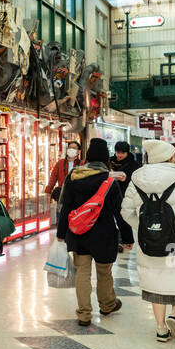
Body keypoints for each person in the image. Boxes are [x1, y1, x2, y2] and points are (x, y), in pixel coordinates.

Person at [121, 139, 175, 343]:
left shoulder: (136, 180)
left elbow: (126, 213)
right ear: (170, 157)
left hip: (148, 244)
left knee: (155, 283)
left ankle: (161, 328)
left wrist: (146, 229)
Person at [57, 139, 134, 326]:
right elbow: (120, 212)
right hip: (104, 234)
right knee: (104, 272)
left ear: (87, 157)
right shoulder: (109, 181)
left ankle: (84, 313)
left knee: (82, 272)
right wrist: (127, 237)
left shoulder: (73, 177)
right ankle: (107, 305)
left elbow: (65, 207)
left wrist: (61, 233)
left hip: (79, 233)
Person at [45, 139, 81, 208]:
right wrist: (48, 192)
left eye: (74, 148)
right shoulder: (60, 163)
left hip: (76, 198)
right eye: (70, 148)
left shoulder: (82, 164)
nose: (71, 150)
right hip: (62, 196)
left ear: (78, 151)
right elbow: (53, 178)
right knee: (61, 215)